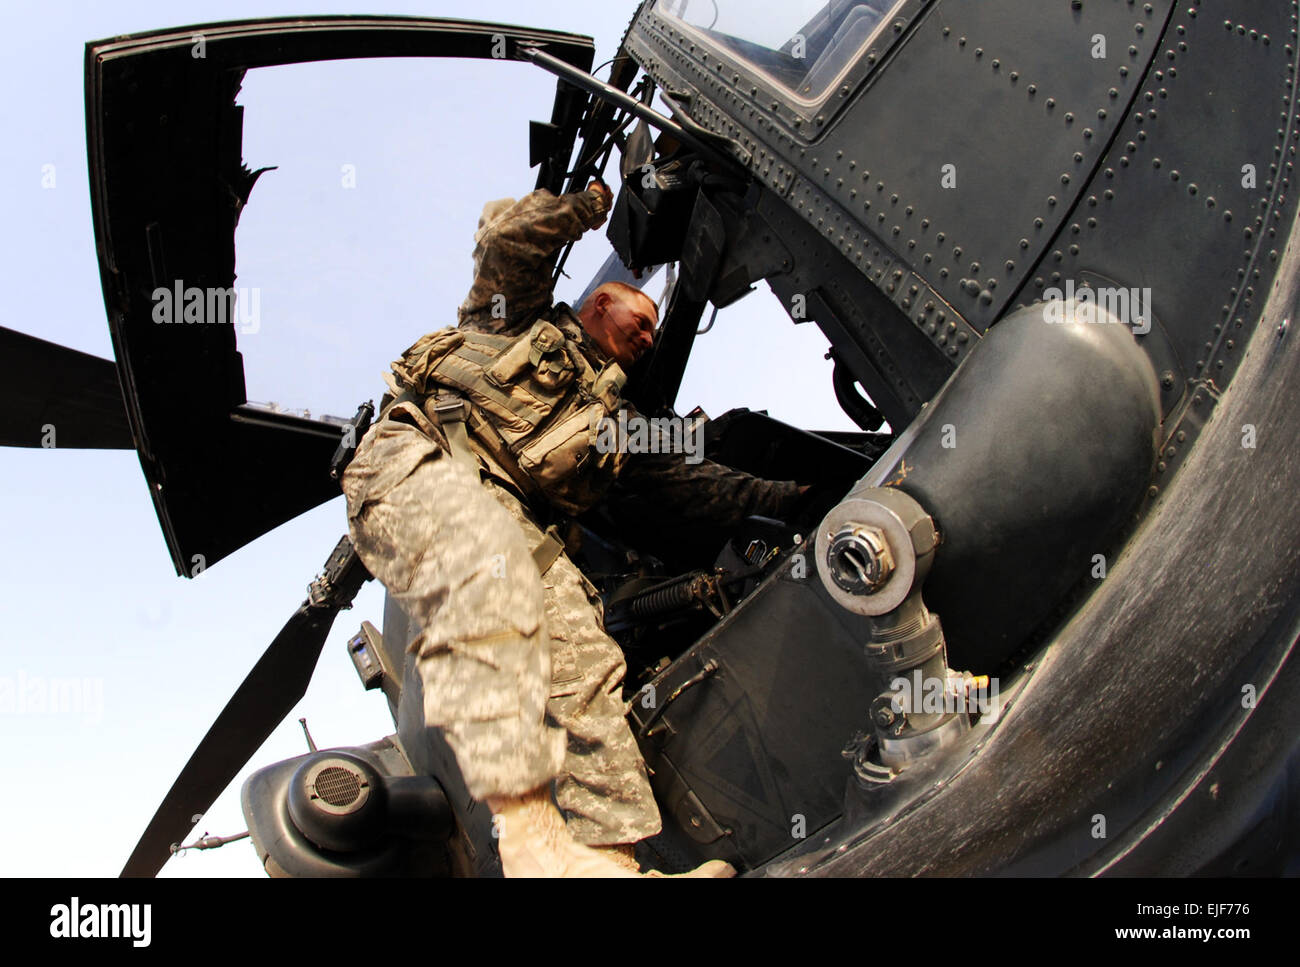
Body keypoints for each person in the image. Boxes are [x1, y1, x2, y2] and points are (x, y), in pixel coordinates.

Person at [341, 181, 804, 877]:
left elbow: (691, 489)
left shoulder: (614, 427)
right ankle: (529, 840)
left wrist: (799, 497)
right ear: (598, 303)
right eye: (639, 322)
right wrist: (589, 207)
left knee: (586, 659)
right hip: (416, 468)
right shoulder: (513, 321)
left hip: (507, 515)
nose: (647, 341)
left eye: (652, 333)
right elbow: (507, 240)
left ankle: (606, 862)